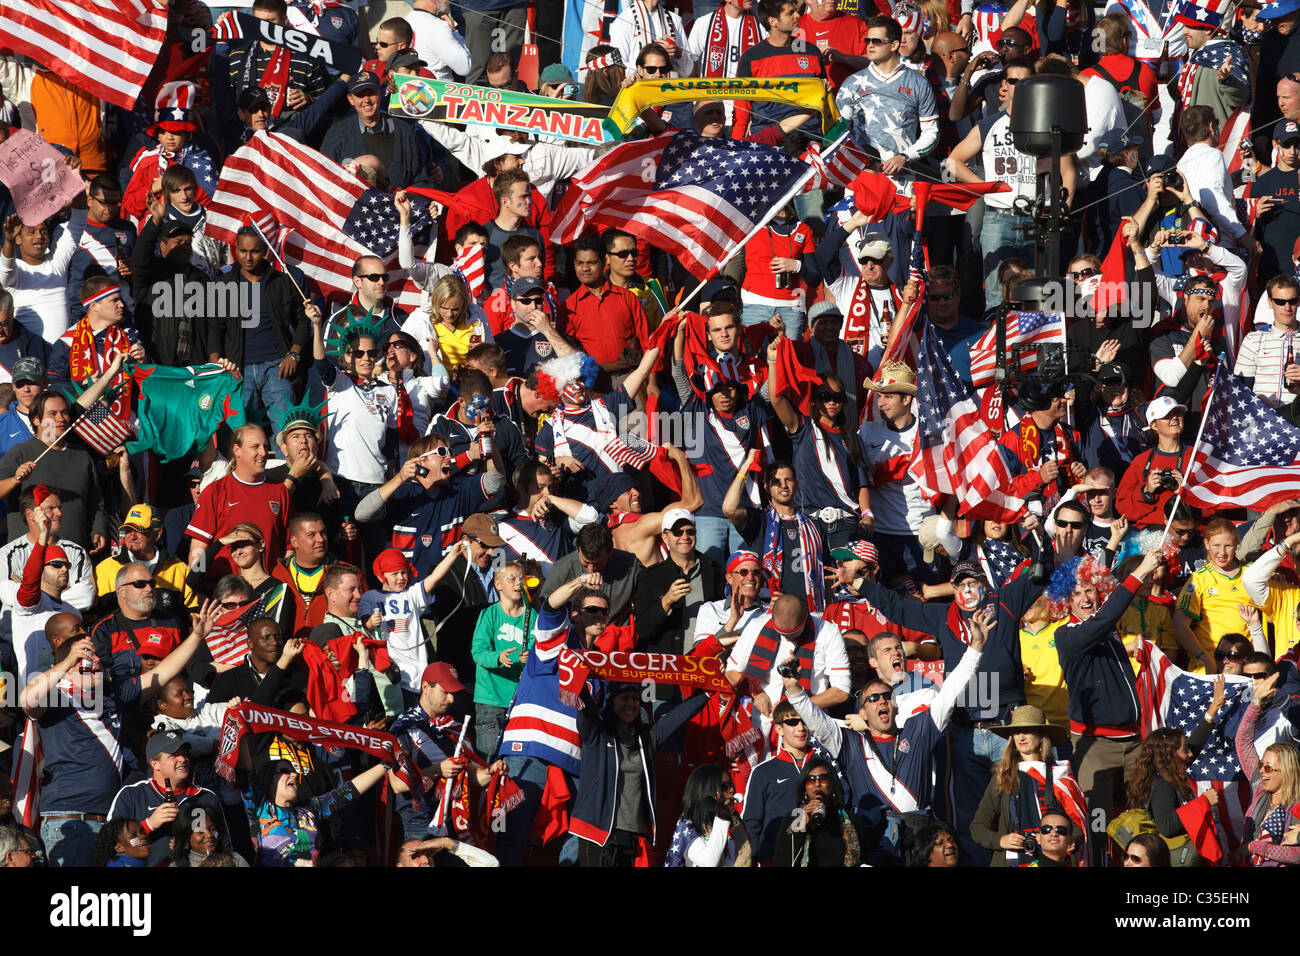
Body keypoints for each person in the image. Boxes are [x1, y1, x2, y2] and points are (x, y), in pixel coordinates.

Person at [781, 606, 990, 865]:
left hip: (920, 840)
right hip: (872, 838)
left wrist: (976, 648)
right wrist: (794, 690)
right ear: (863, 712)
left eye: (886, 697)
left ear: (895, 705)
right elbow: (817, 720)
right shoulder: (849, 743)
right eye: (873, 698)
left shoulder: (919, 728)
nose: (882, 701)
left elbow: (951, 691)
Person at [19, 600, 217, 866]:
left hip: (114, 821)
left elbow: (160, 674)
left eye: (98, 659)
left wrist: (196, 636)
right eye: (88, 660)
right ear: (72, 666)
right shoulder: (55, 696)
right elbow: (27, 699)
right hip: (70, 820)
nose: (97, 662)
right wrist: (67, 660)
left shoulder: (113, 692)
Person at [1053, 549, 1165, 866]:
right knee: (1097, 824)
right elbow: (1107, 616)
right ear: (1065, 601)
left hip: (1133, 741)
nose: (1085, 596)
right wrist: (1141, 570)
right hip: (1094, 745)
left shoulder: (1106, 627)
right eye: (1075, 592)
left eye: (1090, 588)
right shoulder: (1067, 635)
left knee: (1143, 819)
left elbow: (1107, 614)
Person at [970, 705, 1083, 866]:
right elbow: (978, 827)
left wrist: (1073, 840)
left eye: (1027, 730)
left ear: (1042, 736)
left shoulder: (1060, 775)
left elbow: (1076, 824)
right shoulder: (1003, 776)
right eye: (1016, 732)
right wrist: (1001, 840)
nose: (1021, 737)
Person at [106, 728, 232, 866]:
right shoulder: (131, 795)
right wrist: (148, 825)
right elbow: (109, 846)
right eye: (173, 755)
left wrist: (194, 845)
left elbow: (224, 847)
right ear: (155, 764)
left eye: (184, 754)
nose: (183, 759)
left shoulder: (205, 797)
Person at [186, 425, 295, 581]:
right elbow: (198, 550)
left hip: (267, 592)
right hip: (226, 594)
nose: (263, 453)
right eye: (255, 447)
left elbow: (289, 548)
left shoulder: (279, 491)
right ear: (237, 450)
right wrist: (203, 588)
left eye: (265, 446)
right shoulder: (215, 491)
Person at [243, 755, 392, 867]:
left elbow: (348, 791)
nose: (294, 775)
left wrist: (386, 764)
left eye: (295, 772)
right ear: (269, 780)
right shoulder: (259, 808)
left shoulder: (309, 810)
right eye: (285, 771)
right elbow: (245, 769)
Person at [1233, 673, 1300, 865]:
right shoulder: (1259, 788)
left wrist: (1255, 847)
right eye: (1262, 765)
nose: (1262, 771)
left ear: (1286, 771)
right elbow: (1242, 741)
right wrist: (1256, 703)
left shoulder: (1297, 805)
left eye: (1269, 768)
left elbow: (1297, 855)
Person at [741, 698, 813, 863]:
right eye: (793, 722)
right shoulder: (762, 772)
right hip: (775, 858)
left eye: (805, 721)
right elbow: (752, 821)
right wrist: (754, 858)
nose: (801, 728)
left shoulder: (824, 765)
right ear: (779, 728)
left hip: (818, 857)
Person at [1174, 517, 1248, 674]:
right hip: (1209, 670)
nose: (1222, 552)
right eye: (1216, 545)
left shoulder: (1251, 573)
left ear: (1236, 545)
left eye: (1228, 546)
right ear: (1206, 544)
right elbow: (1180, 626)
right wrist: (1205, 658)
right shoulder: (1198, 579)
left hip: (1244, 670)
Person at [772, 757, 867, 867]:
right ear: (804, 788)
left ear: (832, 785)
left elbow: (864, 857)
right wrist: (801, 826)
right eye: (811, 780)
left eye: (823, 779)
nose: (817, 784)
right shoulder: (793, 817)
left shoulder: (850, 819)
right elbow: (782, 862)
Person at [663, 764, 753, 867]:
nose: (732, 790)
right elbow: (709, 863)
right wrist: (722, 819)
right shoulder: (690, 826)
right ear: (708, 792)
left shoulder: (735, 823)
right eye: (725, 786)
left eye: (731, 785)